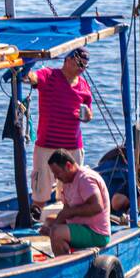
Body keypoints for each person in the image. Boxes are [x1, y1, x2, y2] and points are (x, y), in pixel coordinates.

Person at [28, 47, 93, 218]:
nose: (82, 68)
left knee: (72, 191)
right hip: (47, 145)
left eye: (85, 66)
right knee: (40, 189)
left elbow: (89, 113)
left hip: (72, 146)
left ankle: (68, 220)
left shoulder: (84, 86)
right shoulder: (50, 75)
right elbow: (33, 78)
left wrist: (87, 116)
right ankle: (35, 217)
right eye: (79, 63)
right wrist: (26, 72)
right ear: (68, 59)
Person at [38, 150, 110, 255]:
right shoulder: (67, 181)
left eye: (57, 173)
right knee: (49, 222)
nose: (56, 177)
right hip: (80, 226)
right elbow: (66, 211)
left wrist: (69, 213)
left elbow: (97, 206)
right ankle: (65, 250)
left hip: (96, 233)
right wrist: (52, 226)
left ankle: (64, 266)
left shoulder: (85, 179)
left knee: (57, 233)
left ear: (68, 166)